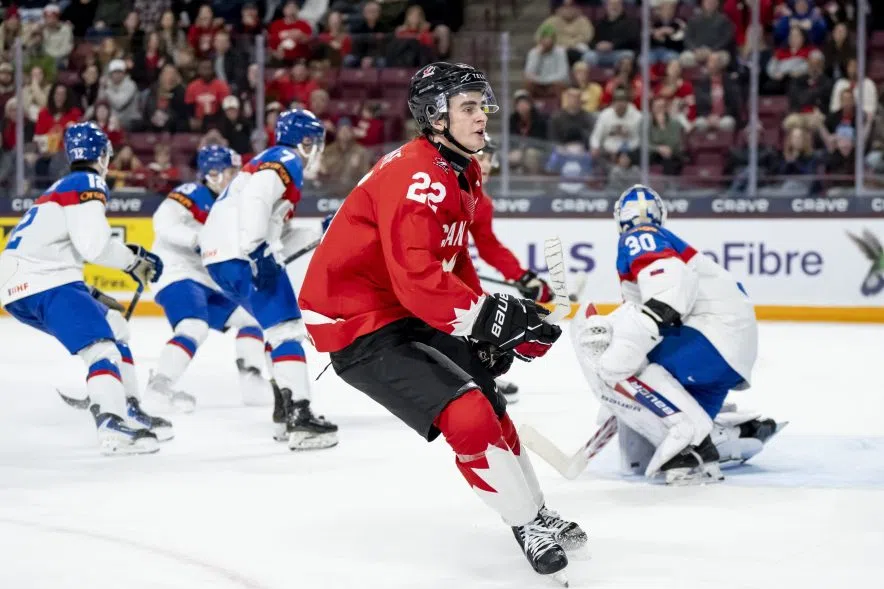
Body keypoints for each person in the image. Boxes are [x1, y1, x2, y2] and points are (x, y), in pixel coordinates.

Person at [298, 62, 585, 583]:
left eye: (482, 106)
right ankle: (526, 522)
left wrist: (490, 323)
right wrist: (488, 317)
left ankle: (533, 515)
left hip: (402, 307)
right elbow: (417, 277)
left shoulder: (459, 169)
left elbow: (452, 261)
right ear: (435, 117)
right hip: (359, 324)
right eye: (468, 107)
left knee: (490, 398)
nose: (482, 118)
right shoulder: (418, 177)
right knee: (468, 413)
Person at [569, 185, 784, 484]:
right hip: (724, 349)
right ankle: (714, 438)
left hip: (711, 339)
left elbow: (669, 286)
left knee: (612, 357)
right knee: (644, 433)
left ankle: (689, 440)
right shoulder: (663, 240)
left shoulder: (637, 236)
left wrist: (622, 353)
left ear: (620, 218)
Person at [0, 122, 165, 455]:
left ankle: (127, 405)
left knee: (116, 326)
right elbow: (94, 246)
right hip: (45, 280)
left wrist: (130, 256)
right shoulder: (88, 181)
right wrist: (134, 261)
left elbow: (71, 244)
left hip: (24, 283)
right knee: (102, 349)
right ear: (102, 155)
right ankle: (112, 423)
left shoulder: (61, 186)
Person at [200, 109, 338, 451]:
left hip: (224, 257)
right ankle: (300, 417)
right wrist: (256, 249)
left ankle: (284, 412)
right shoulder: (285, 158)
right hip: (242, 253)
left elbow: (280, 232)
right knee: (288, 330)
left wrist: (323, 232)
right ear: (307, 142)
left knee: (278, 332)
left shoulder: (275, 162)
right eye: (316, 143)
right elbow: (256, 199)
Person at [146, 145, 270, 412]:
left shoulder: (233, 204)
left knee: (253, 319)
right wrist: (198, 239)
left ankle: (251, 378)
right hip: (177, 271)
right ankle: (159, 386)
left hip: (208, 279)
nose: (236, 176)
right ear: (212, 172)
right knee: (193, 326)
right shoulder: (190, 193)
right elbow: (163, 223)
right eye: (231, 171)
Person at [471, 134, 553, 403]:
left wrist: (522, 276)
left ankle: (474, 374)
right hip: (414, 268)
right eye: (480, 155)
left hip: (438, 270)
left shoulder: (481, 201)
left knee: (472, 309)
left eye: (489, 158)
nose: (485, 163)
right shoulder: (445, 185)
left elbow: (488, 245)